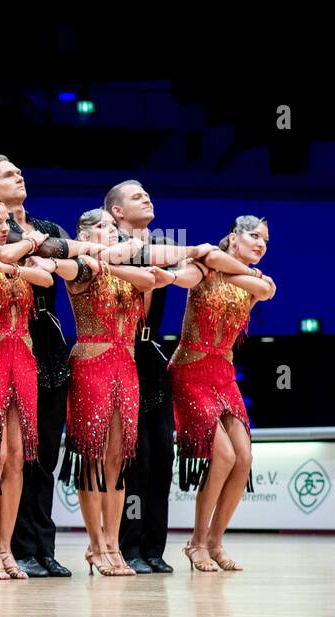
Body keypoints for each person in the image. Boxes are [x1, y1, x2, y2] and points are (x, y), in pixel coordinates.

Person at [105, 179, 259, 573]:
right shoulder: (112, 247)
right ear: (117, 211)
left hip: (152, 353)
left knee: (159, 454)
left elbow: (202, 259)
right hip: (120, 354)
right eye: (137, 196)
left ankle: (153, 548)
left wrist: (202, 263)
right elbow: (198, 260)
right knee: (131, 454)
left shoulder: (163, 248)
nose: (148, 198)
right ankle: (123, 546)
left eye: (148, 194)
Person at [39, 209, 175, 574]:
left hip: (126, 365)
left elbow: (150, 279)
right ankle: (96, 543)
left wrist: (110, 260)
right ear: (84, 233)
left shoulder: (125, 271)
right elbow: (60, 263)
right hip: (91, 363)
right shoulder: (78, 267)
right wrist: (101, 255)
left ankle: (113, 543)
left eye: (113, 228)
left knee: (117, 459)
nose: (110, 231)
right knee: (94, 457)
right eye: (101, 227)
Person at [166, 216, 275, 572]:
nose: (261, 244)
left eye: (266, 241)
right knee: (224, 456)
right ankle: (196, 542)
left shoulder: (254, 282)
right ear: (233, 237)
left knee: (243, 458)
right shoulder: (204, 269)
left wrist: (241, 271)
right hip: (191, 370)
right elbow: (206, 261)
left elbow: (267, 290)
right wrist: (218, 264)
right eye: (254, 236)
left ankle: (215, 540)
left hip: (224, 374)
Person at [0, 197, 57, 579]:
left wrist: (16, 260)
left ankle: (6, 548)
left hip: (25, 356)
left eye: (6, 222)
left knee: (18, 455)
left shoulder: (16, 262)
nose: (4, 227)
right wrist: (16, 256)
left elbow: (48, 279)